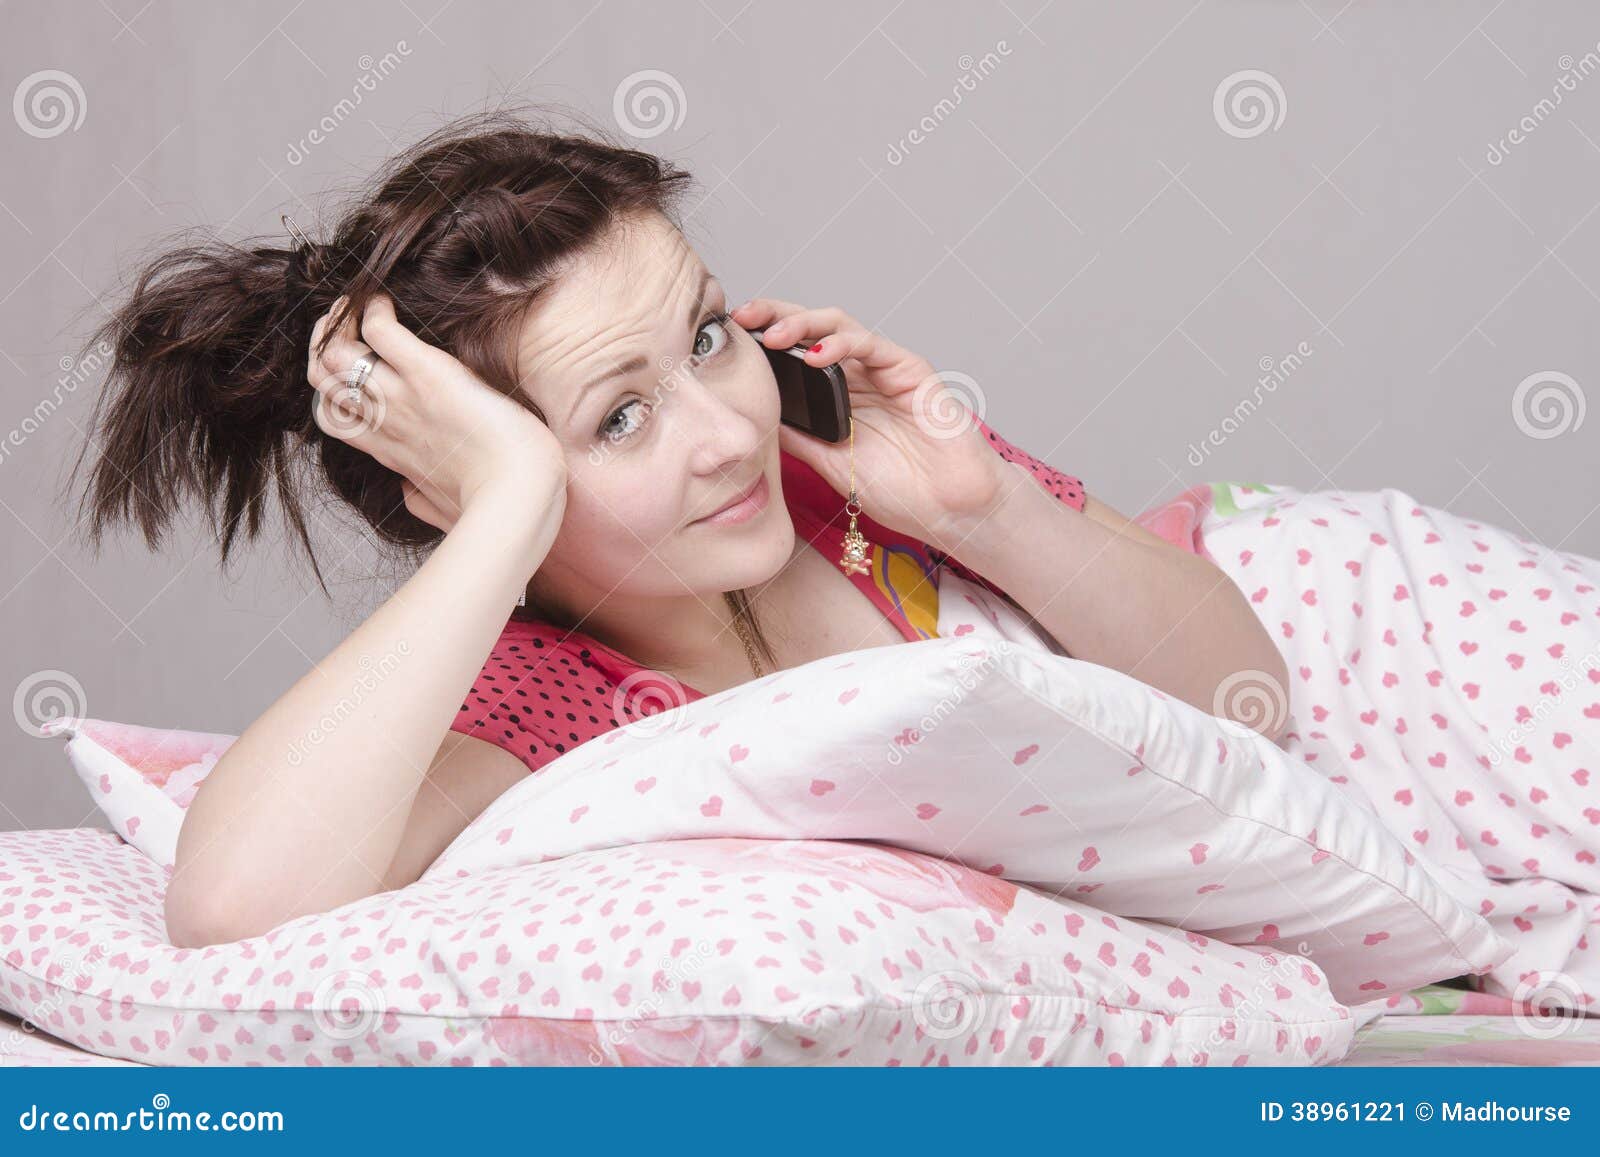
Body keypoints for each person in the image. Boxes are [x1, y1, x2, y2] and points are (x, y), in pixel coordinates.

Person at [68, 109, 1286, 949]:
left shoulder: (857, 477)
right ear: (489, 484)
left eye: (705, 336)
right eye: (620, 418)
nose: (724, 432)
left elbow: (1250, 703)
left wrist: (985, 508)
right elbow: (231, 906)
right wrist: (497, 515)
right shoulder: (553, 689)